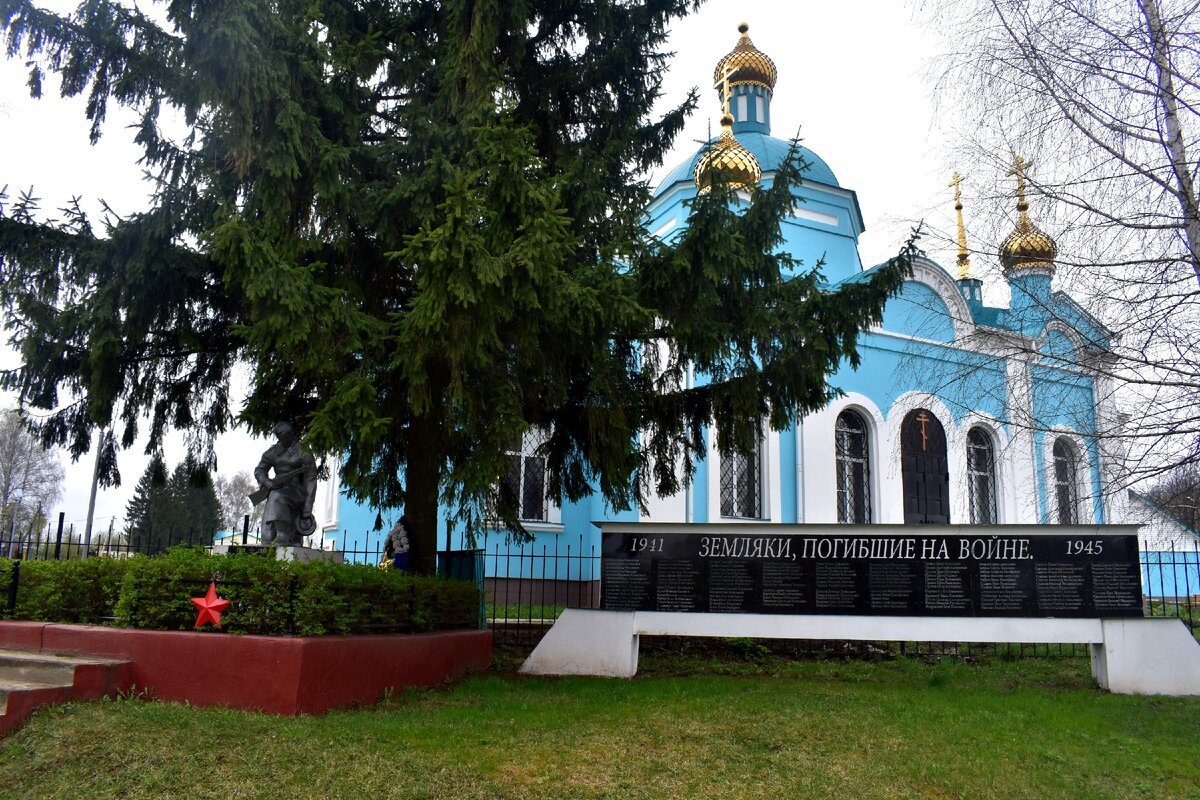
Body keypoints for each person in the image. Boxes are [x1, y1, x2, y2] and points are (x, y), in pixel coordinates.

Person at [253, 422, 318, 547]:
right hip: (276, 487)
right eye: (279, 437)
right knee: (274, 496)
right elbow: (260, 469)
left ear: (291, 435)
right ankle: (269, 535)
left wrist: (307, 509)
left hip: (297, 491)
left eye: (285, 437)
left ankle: (283, 533)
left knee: (277, 496)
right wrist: (267, 482)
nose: (282, 440)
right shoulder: (273, 451)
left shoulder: (303, 451)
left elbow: (310, 480)